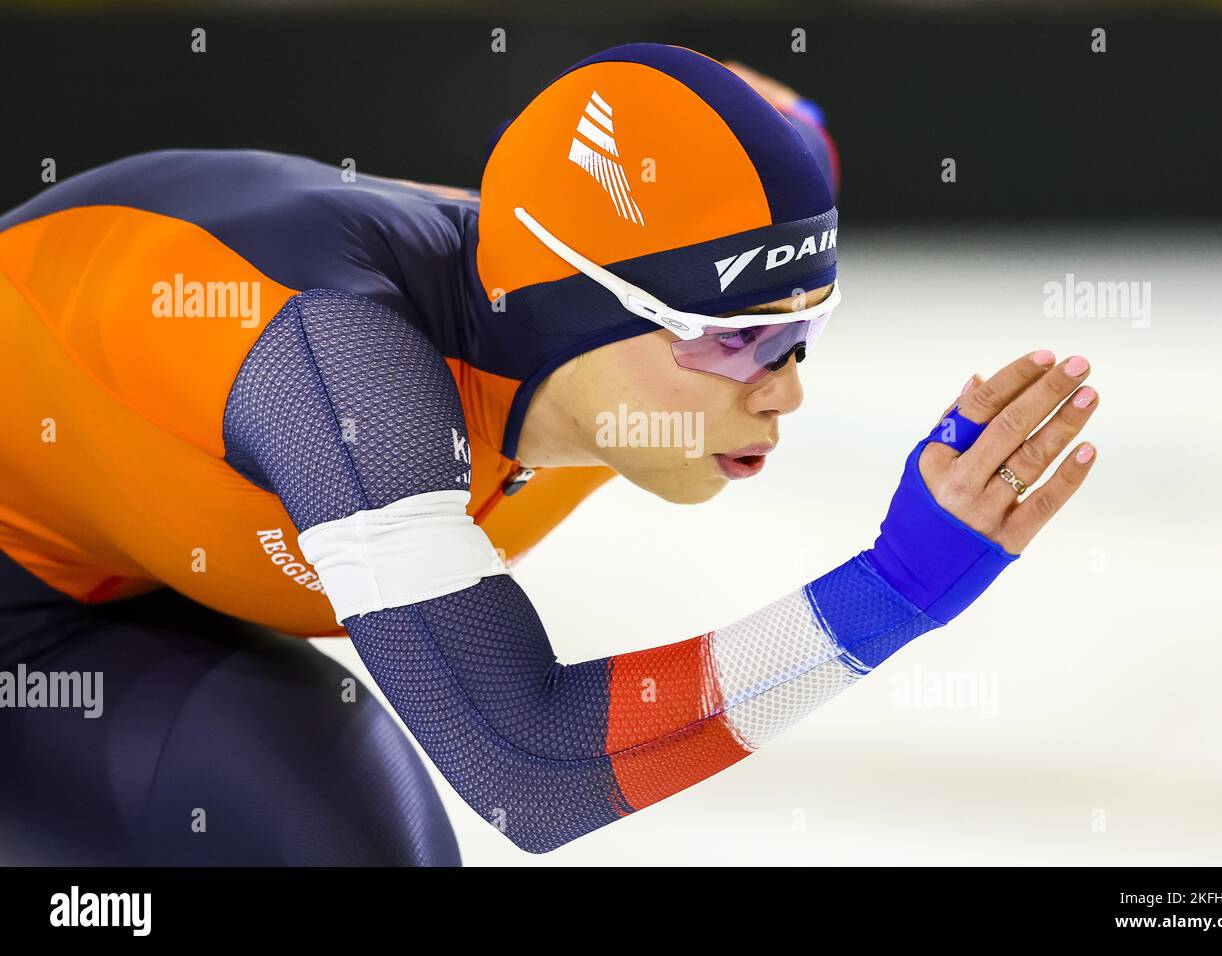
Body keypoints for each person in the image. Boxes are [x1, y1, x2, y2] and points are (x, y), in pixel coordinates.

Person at [0, 43, 1096, 863]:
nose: (788, 387)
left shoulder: (579, 324)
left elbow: (693, 139)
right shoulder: (341, 368)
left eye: (803, 330)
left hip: (107, 583)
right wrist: (894, 588)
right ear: (589, 310)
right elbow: (528, 767)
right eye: (743, 338)